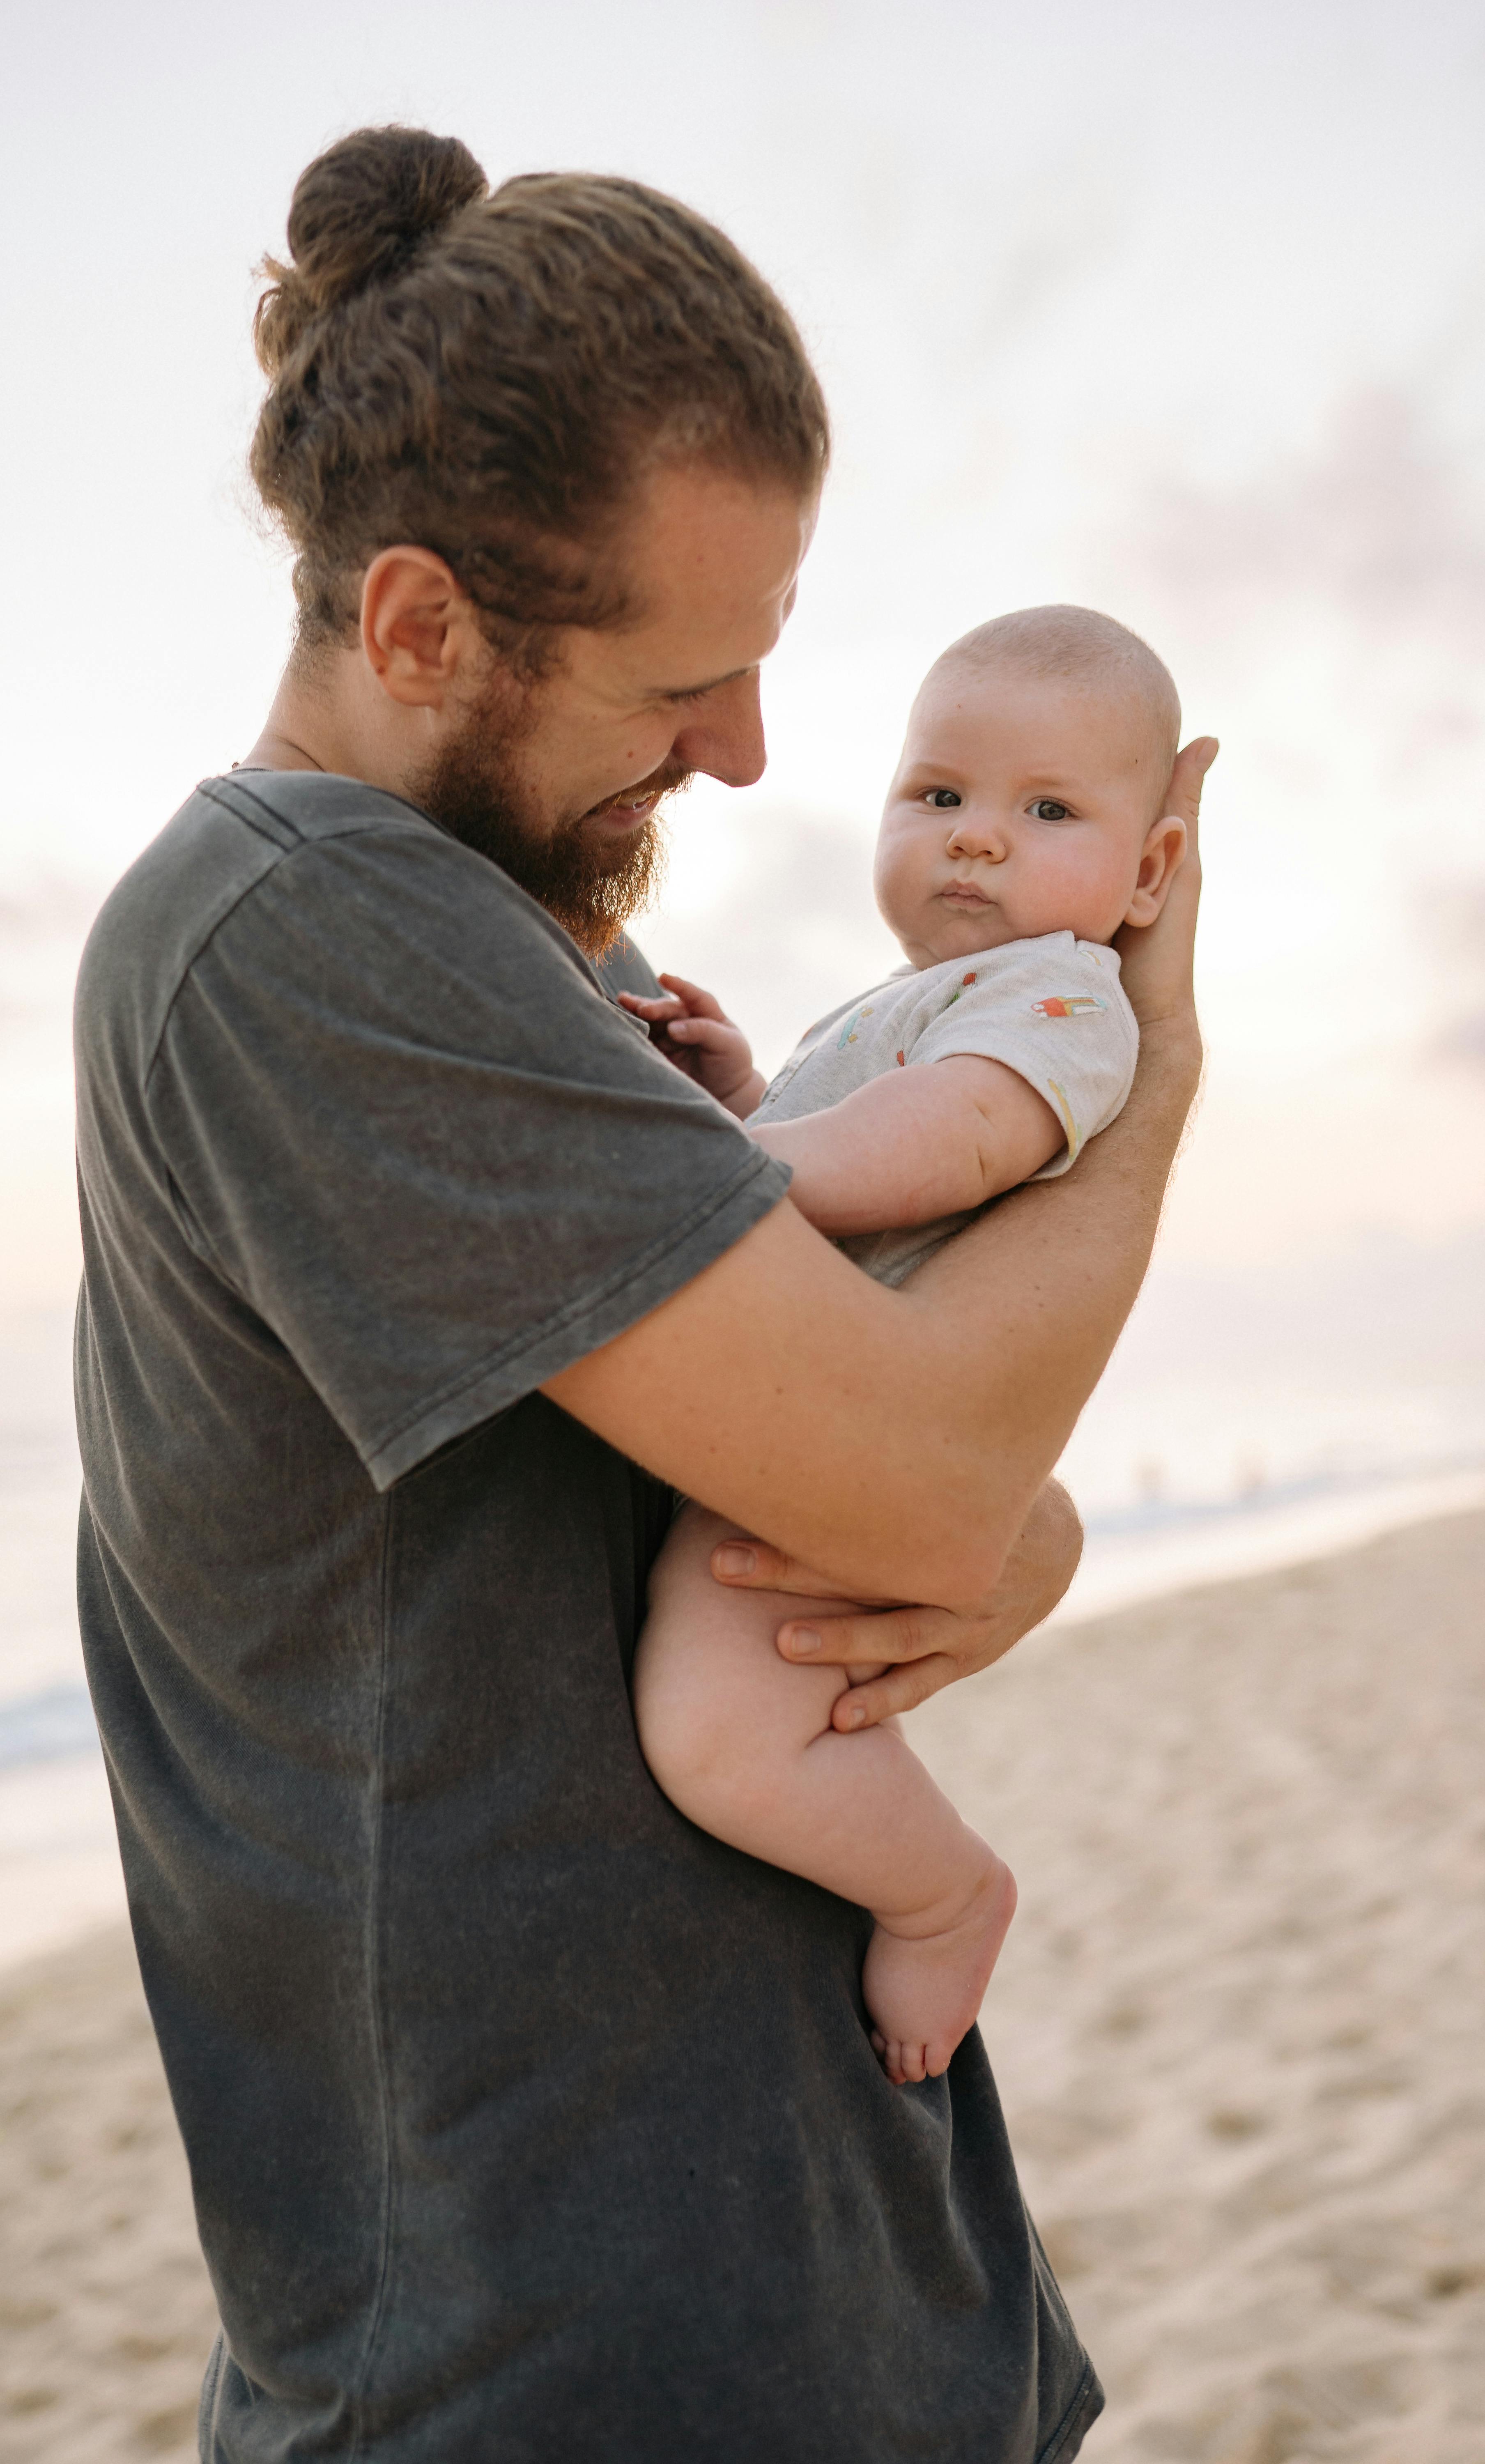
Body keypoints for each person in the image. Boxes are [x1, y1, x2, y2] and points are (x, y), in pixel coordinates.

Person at [72, 123, 1214, 2463]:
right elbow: (914, 1481)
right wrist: (1152, 1059)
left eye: (769, 661)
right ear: (417, 629)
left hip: (843, 2267)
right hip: (552, 2358)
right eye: (684, 681)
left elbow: (966, 1494)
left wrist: (1014, 1520)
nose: (751, 753)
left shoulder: (562, 957)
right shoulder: (302, 938)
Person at [625, 606, 1186, 2091]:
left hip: (851, 1444)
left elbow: (947, 1140)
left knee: (718, 1735)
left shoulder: (1067, 1001)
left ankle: (940, 1889)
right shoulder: (919, 1000)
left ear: (1149, 873)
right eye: (938, 795)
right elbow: (840, 1144)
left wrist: (748, 1161)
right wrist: (743, 1094)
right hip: (813, 1413)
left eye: (1046, 809)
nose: (977, 841)